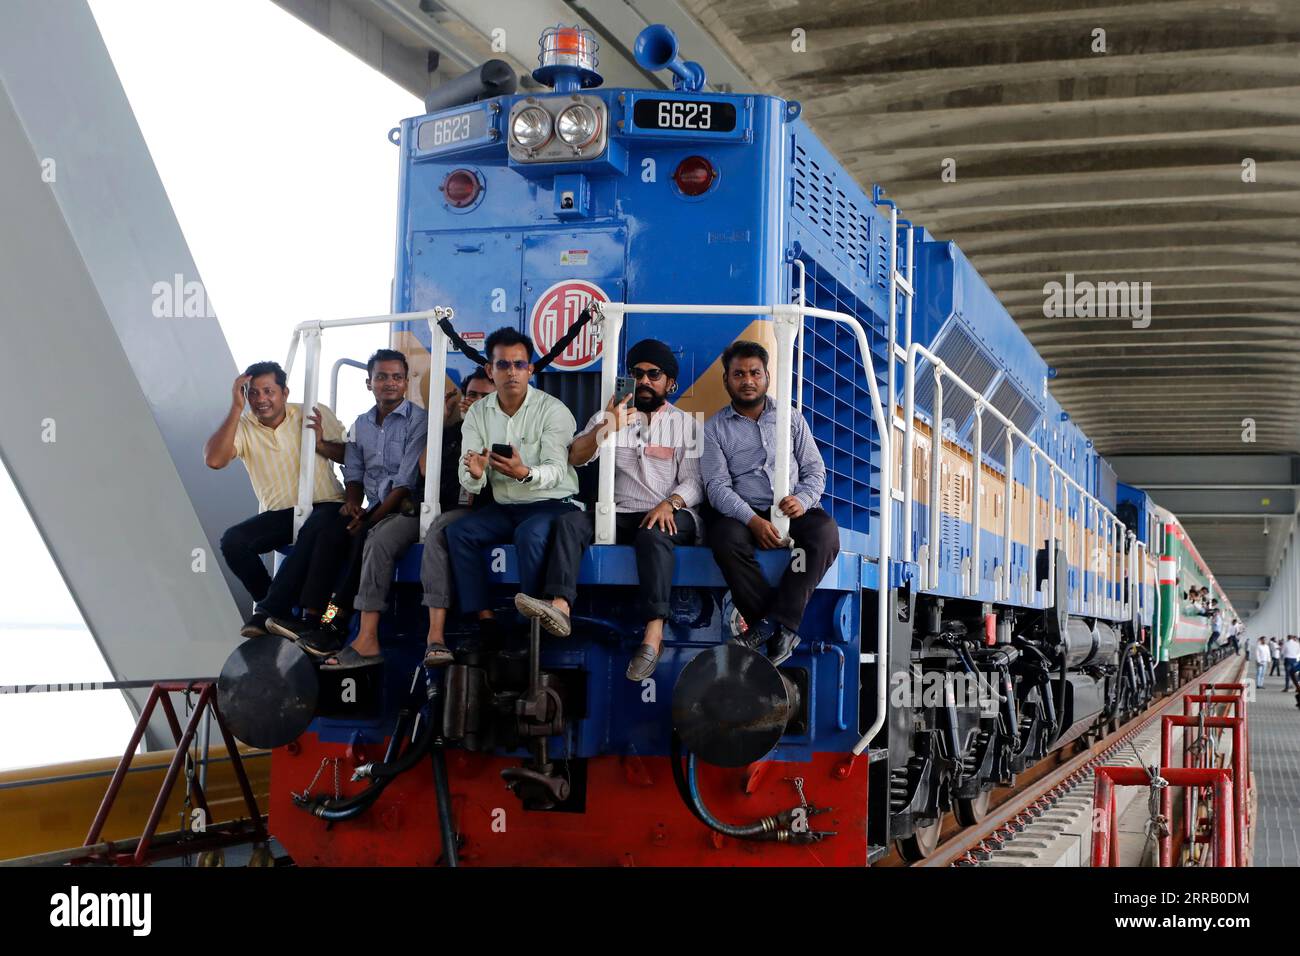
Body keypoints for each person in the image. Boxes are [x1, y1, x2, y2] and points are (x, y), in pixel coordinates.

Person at [514, 339, 703, 680]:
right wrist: (607, 427)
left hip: (669, 513)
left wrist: (669, 504)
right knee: (571, 523)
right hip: (619, 512)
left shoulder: (687, 424)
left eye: (653, 374)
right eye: (637, 373)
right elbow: (575, 456)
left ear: (670, 383)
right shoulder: (609, 416)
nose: (644, 381)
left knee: (653, 534)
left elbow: (694, 483)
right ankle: (560, 606)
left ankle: (654, 632)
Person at [328, 368, 499, 670]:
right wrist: (441, 420)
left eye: (486, 396)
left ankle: (436, 637)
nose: (477, 400)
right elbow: (423, 469)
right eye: (472, 394)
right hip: (426, 506)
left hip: (468, 511)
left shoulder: (503, 430)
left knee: (436, 534)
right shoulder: (448, 430)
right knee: (379, 536)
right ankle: (366, 638)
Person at [265, 350, 427, 664]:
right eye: (381, 377)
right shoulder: (361, 424)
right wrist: (353, 504)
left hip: (406, 507)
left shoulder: (419, 421)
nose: (389, 383)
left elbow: (405, 482)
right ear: (369, 383)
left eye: (396, 377)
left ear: (406, 383)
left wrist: (368, 519)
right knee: (329, 528)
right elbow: (353, 471)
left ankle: (335, 625)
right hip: (373, 504)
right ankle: (311, 619)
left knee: (363, 538)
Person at [700, 340, 840, 666]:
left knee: (824, 534)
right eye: (738, 374)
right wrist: (752, 520)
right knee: (723, 539)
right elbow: (717, 487)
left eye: (754, 373)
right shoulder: (714, 428)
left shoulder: (791, 418)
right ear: (726, 380)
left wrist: (803, 501)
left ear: (766, 377)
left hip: (793, 509)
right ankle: (774, 625)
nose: (747, 380)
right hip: (745, 512)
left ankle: (773, 625)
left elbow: (815, 470)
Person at [441, 327, 581, 643]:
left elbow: (558, 471)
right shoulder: (477, 413)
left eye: (519, 364)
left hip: (550, 504)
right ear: (490, 371)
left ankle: (528, 627)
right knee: (458, 532)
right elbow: (470, 480)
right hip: (505, 506)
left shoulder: (552, 410)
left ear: (530, 368)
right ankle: (485, 621)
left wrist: (524, 472)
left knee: (529, 533)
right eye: (503, 365)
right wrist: (476, 473)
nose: (512, 372)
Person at [204, 361, 346, 637]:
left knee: (315, 527)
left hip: (327, 504)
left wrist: (320, 444)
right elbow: (214, 460)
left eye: (268, 391)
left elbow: (352, 456)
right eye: (253, 393)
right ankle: (278, 607)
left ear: (284, 392)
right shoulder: (243, 426)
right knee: (233, 541)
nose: (261, 400)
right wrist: (236, 408)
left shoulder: (312, 413)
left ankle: (271, 612)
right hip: (281, 513)